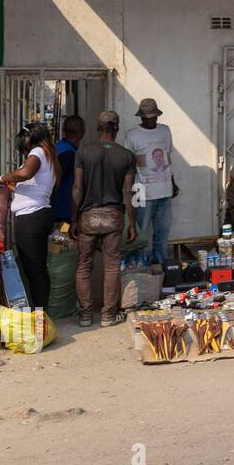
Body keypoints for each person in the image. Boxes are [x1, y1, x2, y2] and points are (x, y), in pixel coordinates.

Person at [71, 111, 137, 327]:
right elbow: (128, 193)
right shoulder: (126, 156)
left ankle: (85, 315)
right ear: (116, 129)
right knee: (111, 267)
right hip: (113, 217)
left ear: (97, 128)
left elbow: (78, 187)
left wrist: (74, 219)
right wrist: (133, 223)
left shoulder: (84, 151)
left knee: (84, 266)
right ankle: (108, 315)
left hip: (88, 217)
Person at [0, 124, 60, 310]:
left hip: (31, 218)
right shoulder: (48, 155)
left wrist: (2, 178)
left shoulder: (38, 151)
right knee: (36, 268)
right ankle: (39, 312)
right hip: (40, 214)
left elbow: (25, 173)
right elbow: (31, 187)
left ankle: (39, 315)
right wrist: (10, 187)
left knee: (34, 270)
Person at [125, 98, 178, 268]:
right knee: (139, 233)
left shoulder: (165, 131)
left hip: (164, 190)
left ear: (157, 116)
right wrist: (129, 192)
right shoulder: (132, 135)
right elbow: (129, 166)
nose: (149, 120)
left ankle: (159, 267)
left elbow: (167, 159)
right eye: (145, 117)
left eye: (152, 117)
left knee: (162, 233)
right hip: (140, 191)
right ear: (140, 117)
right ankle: (139, 268)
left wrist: (173, 182)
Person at [51, 115, 85, 223]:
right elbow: (57, 179)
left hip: (54, 207)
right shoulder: (69, 153)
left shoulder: (56, 147)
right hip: (64, 209)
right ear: (82, 132)